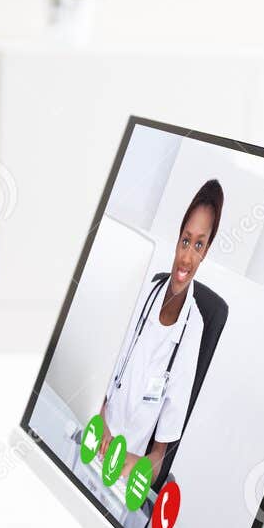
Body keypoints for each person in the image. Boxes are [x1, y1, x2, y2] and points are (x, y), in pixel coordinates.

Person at [95, 180, 224, 493]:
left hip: (121, 480)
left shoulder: (192, 332)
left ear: (206, 251)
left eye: (198, 245)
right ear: (177, 240)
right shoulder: (142, 294)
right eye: (185, 241)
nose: (187, 257)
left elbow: (158, 459)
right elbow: (97, 378)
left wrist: (131, 463)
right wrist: (101, 423)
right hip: (92, 438)